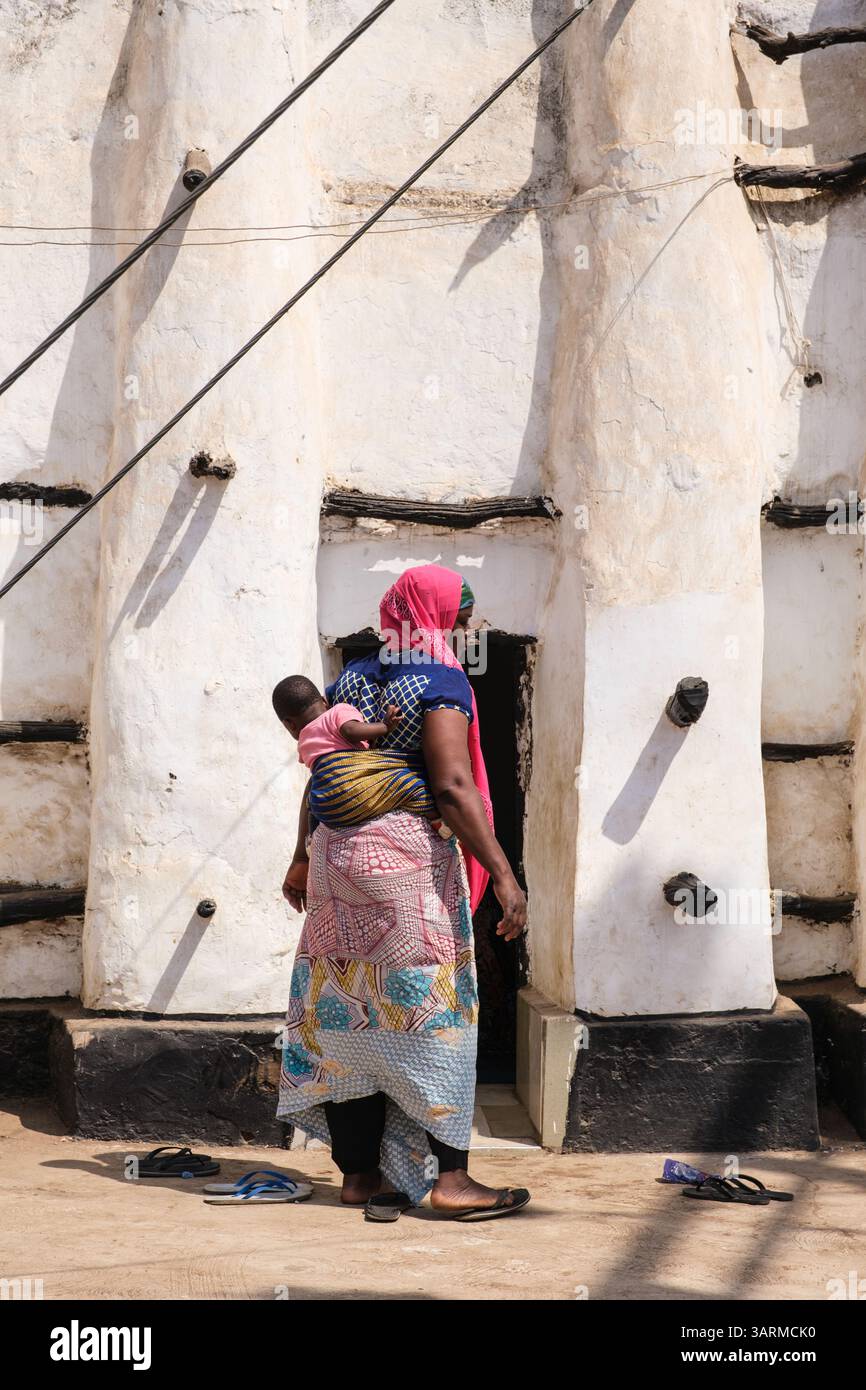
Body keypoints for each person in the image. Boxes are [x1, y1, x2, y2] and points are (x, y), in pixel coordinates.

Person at [276, 564, 529, 1220]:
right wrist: (502, 873)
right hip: (405, 863)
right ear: (440, 616)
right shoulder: (441, 681)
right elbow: (450, 785)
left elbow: (325, 765)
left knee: (349, 1011)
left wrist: (300, 857)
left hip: (335, 858)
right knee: (433, 1012)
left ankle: (360, 1176)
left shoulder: (353, 676)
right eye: (461, 616)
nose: (466, 627)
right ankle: (450, 1179)